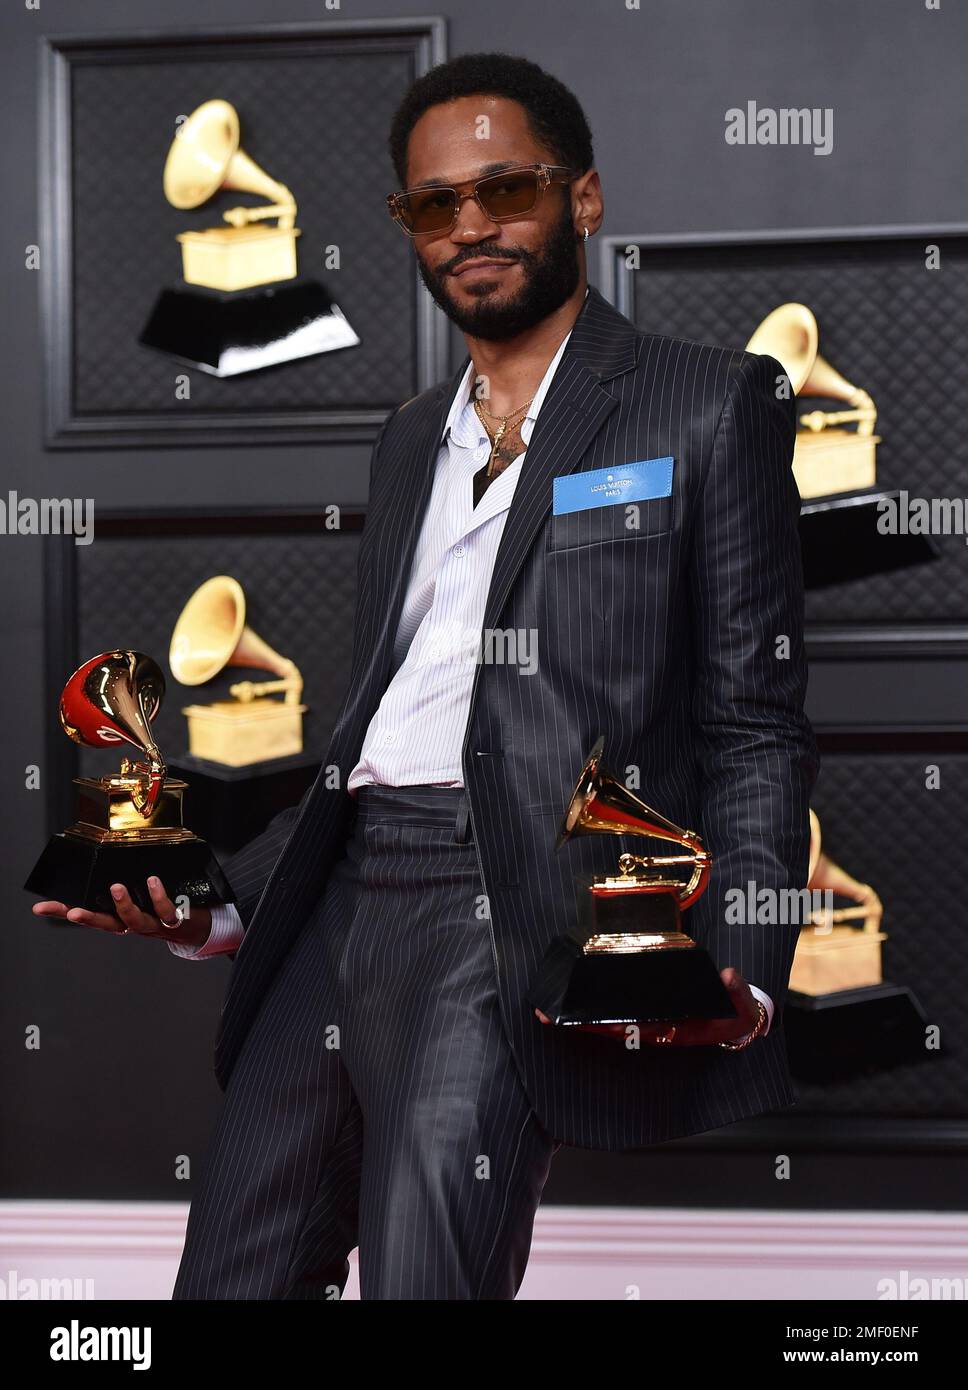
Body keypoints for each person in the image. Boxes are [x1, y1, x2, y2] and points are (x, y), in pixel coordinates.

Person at [33, 52, 820, 1300]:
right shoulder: (407, 437)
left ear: (584, 199)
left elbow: (754, 721)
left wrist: (745, 952)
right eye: (431, 205)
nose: (468, 227)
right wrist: (220, 900)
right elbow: (386, 720)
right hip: (338, 897)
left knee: (423, 1277)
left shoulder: (706, 404)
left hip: (510, 898)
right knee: (231, 1279)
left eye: (504, 189)